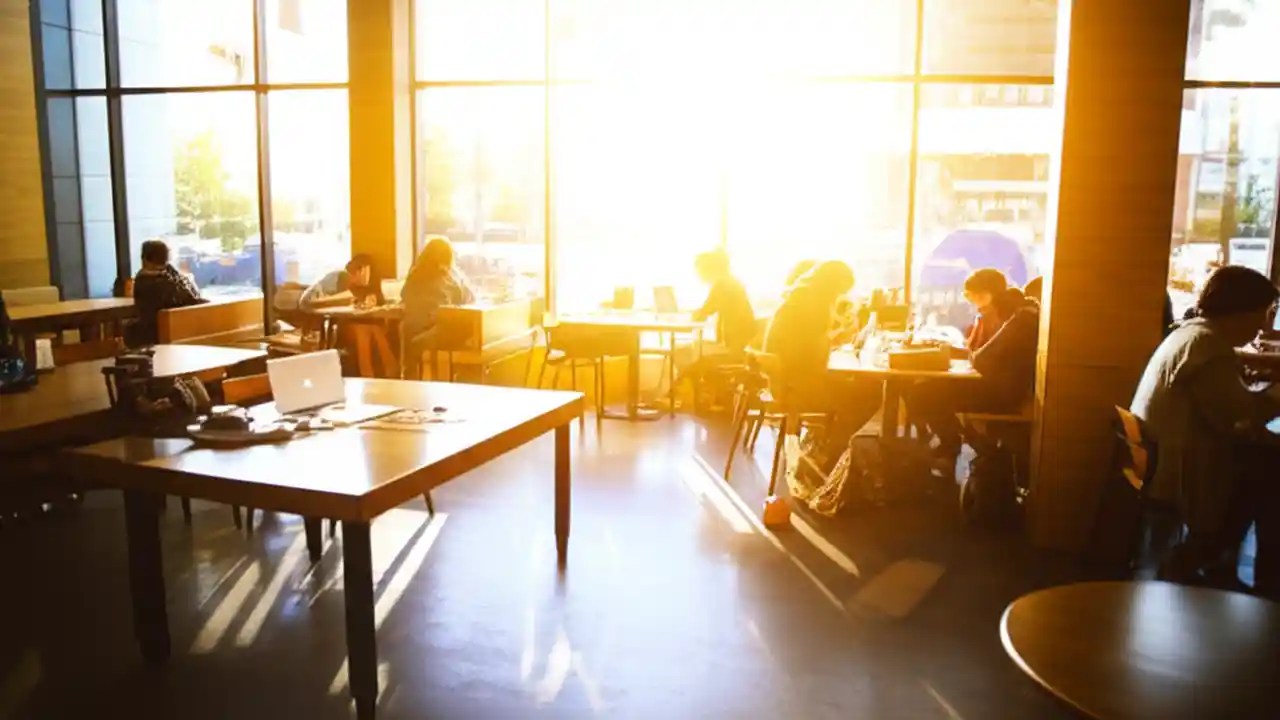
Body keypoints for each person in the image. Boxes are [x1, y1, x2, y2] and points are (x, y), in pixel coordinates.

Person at [1130, 265, 1280, 591]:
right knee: (1266, 479)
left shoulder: (1189, 334)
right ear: (1242, 309)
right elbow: (1238, 416)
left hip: (1160, 458)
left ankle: (1213, 563)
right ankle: (1214, 565)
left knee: (1260, 473)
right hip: (1181, 469)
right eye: (1264, 313)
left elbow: (1227, 410)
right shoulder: (1208, 346)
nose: (1263, 325)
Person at [906, 269, 1040, 474]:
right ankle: (955, 447)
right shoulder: (1024, 316)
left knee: (921, 395)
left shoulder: (1022, 319)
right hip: (1003, 388)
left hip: (1001, 394)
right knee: (925, 392)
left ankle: (955, 448)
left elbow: (981, 358)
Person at [762, 260, 881, 451]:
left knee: (858, 389)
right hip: (799, 386)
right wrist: (836, 338)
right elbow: (813, 355)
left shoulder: (799, 298)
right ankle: (834, 452)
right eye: (840, 289)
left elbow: (805, 343)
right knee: (871, 393)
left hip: (785, 382)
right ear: (832, 284)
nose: (840, 294)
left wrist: (831, 339)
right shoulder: (814, 304)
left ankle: (827, 443)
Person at [401, 236, 475, 378]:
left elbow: (405, 298)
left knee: (413, 343)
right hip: (440, 331)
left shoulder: (415, 276)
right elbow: (469, 299)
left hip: (417, 332)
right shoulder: (453, 277)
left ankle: (412, 376)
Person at [130, 240, 206, 346]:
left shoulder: (146, 281)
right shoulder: (171, 277)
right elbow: (191, 298)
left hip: (159, 333)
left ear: (144, 259)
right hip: (181, 330)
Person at [963, 268, 1018, 351]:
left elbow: (981, 354)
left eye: (978, 295)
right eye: (969, 295)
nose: (973, 300)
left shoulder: (996, 318)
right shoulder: (984, 316)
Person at [297, 254, 375, 311]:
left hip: (314, 303)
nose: (368, 277)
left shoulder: (350, 283)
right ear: (359, 271)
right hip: (310, 302)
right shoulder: (343, 277)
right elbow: (342, 301)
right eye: (367, 272)